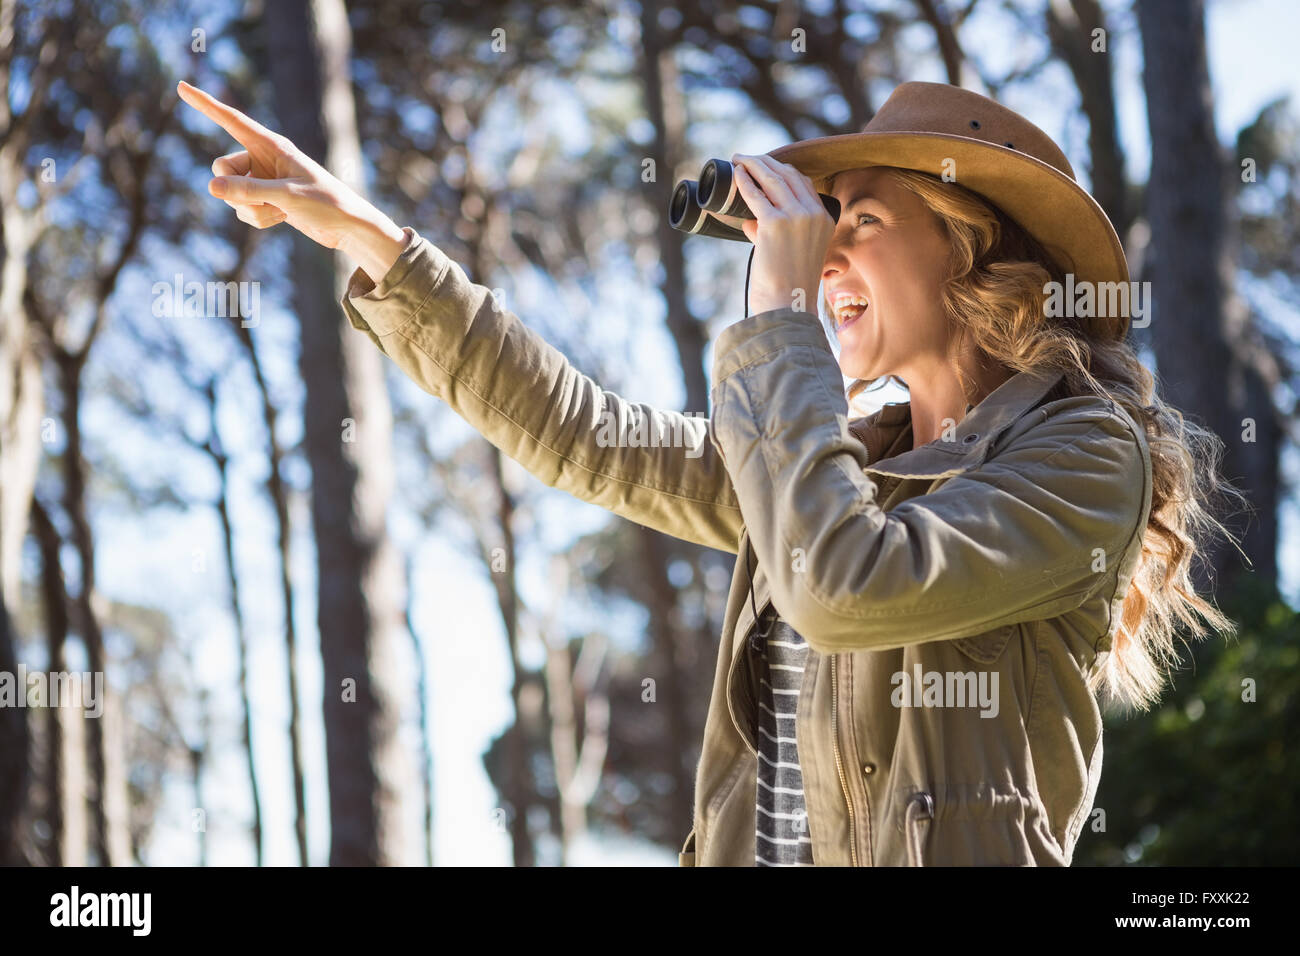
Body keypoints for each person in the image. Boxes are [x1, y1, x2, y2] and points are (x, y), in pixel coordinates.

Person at [177, 78, 1242, 866]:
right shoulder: (837, 464)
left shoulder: (1083, 453)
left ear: (973, 246)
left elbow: (845, 583)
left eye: (860, 222)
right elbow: (584, 432)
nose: (824, 258)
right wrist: (366, 235)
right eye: (822, 225)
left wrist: (779, 324)